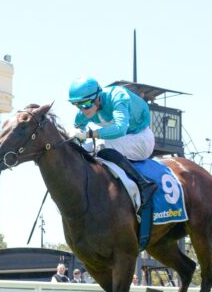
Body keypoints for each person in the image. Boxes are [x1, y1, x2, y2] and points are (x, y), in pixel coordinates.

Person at [67, 77, 158, 223]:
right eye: (77, 105)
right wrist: (75, 136)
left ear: (97, 96)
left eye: (85, 103)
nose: (83, 109)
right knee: (85, 149)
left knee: (102, 145)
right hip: (119, 140)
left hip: (141, 138)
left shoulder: (118, 97)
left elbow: (120, 129)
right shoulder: (84, 111)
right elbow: (77, 127)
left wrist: (90, 134)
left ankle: (144, 185)